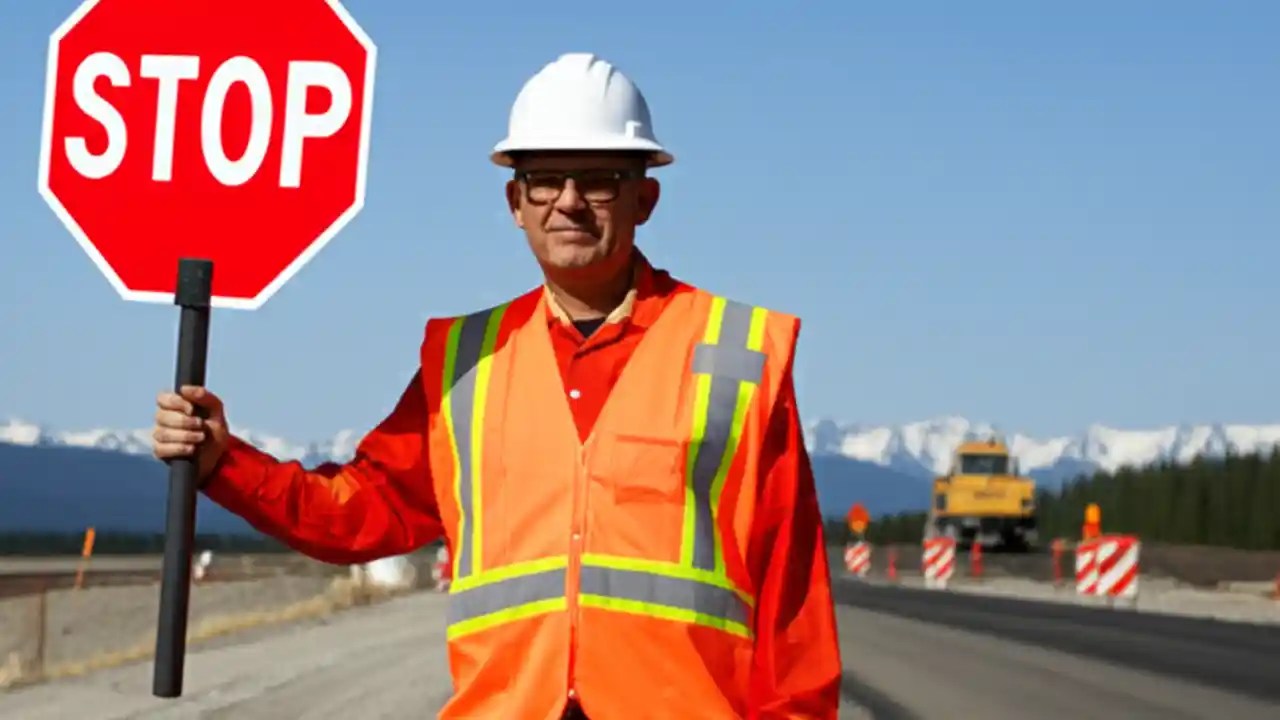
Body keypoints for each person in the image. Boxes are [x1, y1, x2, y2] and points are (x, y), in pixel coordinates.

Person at [152, 52, 842, 720]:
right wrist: (226, 464)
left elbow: (792, 606)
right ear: (516, 201)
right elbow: (362, 509)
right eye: (545, 179)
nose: (569, 203)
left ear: (645, 198)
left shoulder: (736, 354)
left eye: (598, 178)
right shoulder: (464, 361)